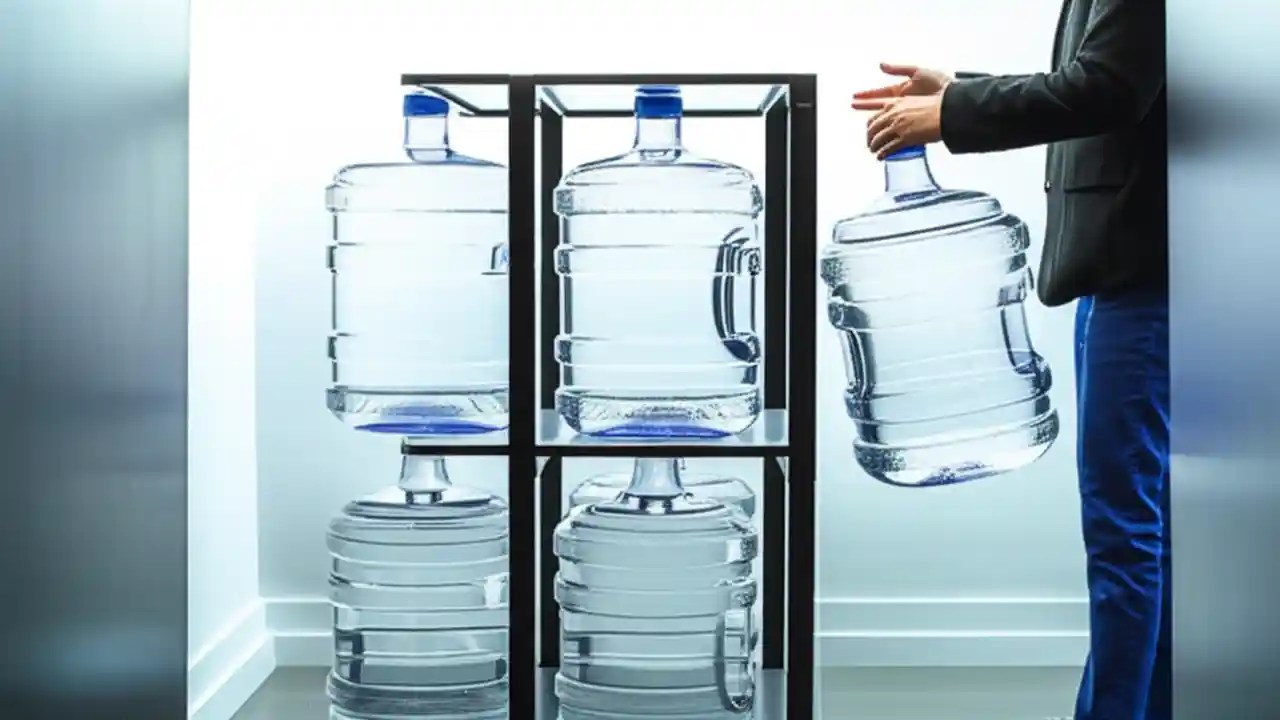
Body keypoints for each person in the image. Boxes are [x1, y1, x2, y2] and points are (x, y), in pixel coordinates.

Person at [849, 2, 1169, 720]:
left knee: (1128, 530)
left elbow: (1110, 90)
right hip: (1120, 275)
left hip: (1143, 280)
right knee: (1145, 530)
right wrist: (956, 86)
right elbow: (1093, 82)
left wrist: (953, 112)